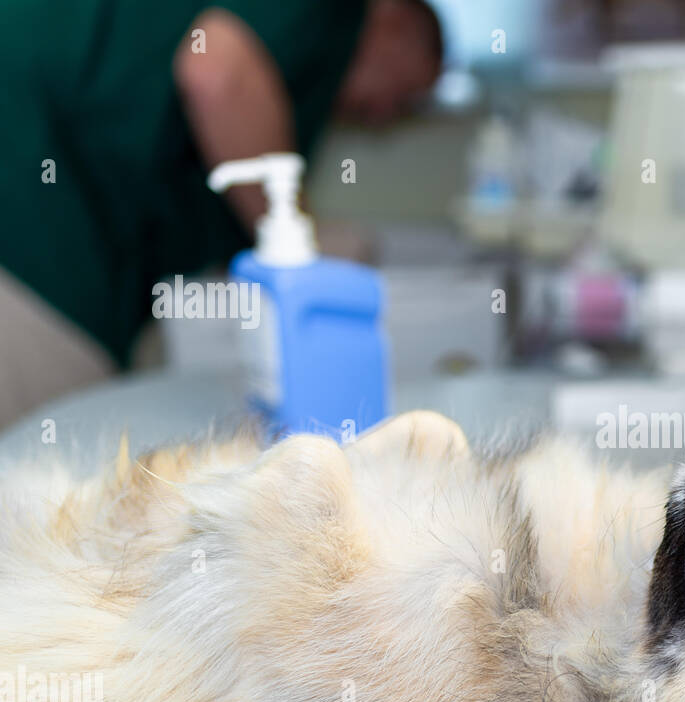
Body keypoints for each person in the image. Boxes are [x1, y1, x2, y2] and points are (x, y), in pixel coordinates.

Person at [0, 0, 443, 429]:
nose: (384, 116)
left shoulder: (295, 67)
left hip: (60, 214)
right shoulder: (333, 11)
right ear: (396, 24)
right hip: (34, 219)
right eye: (406, 96)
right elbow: (216, 70)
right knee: (48, 463)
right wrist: (303, 249)